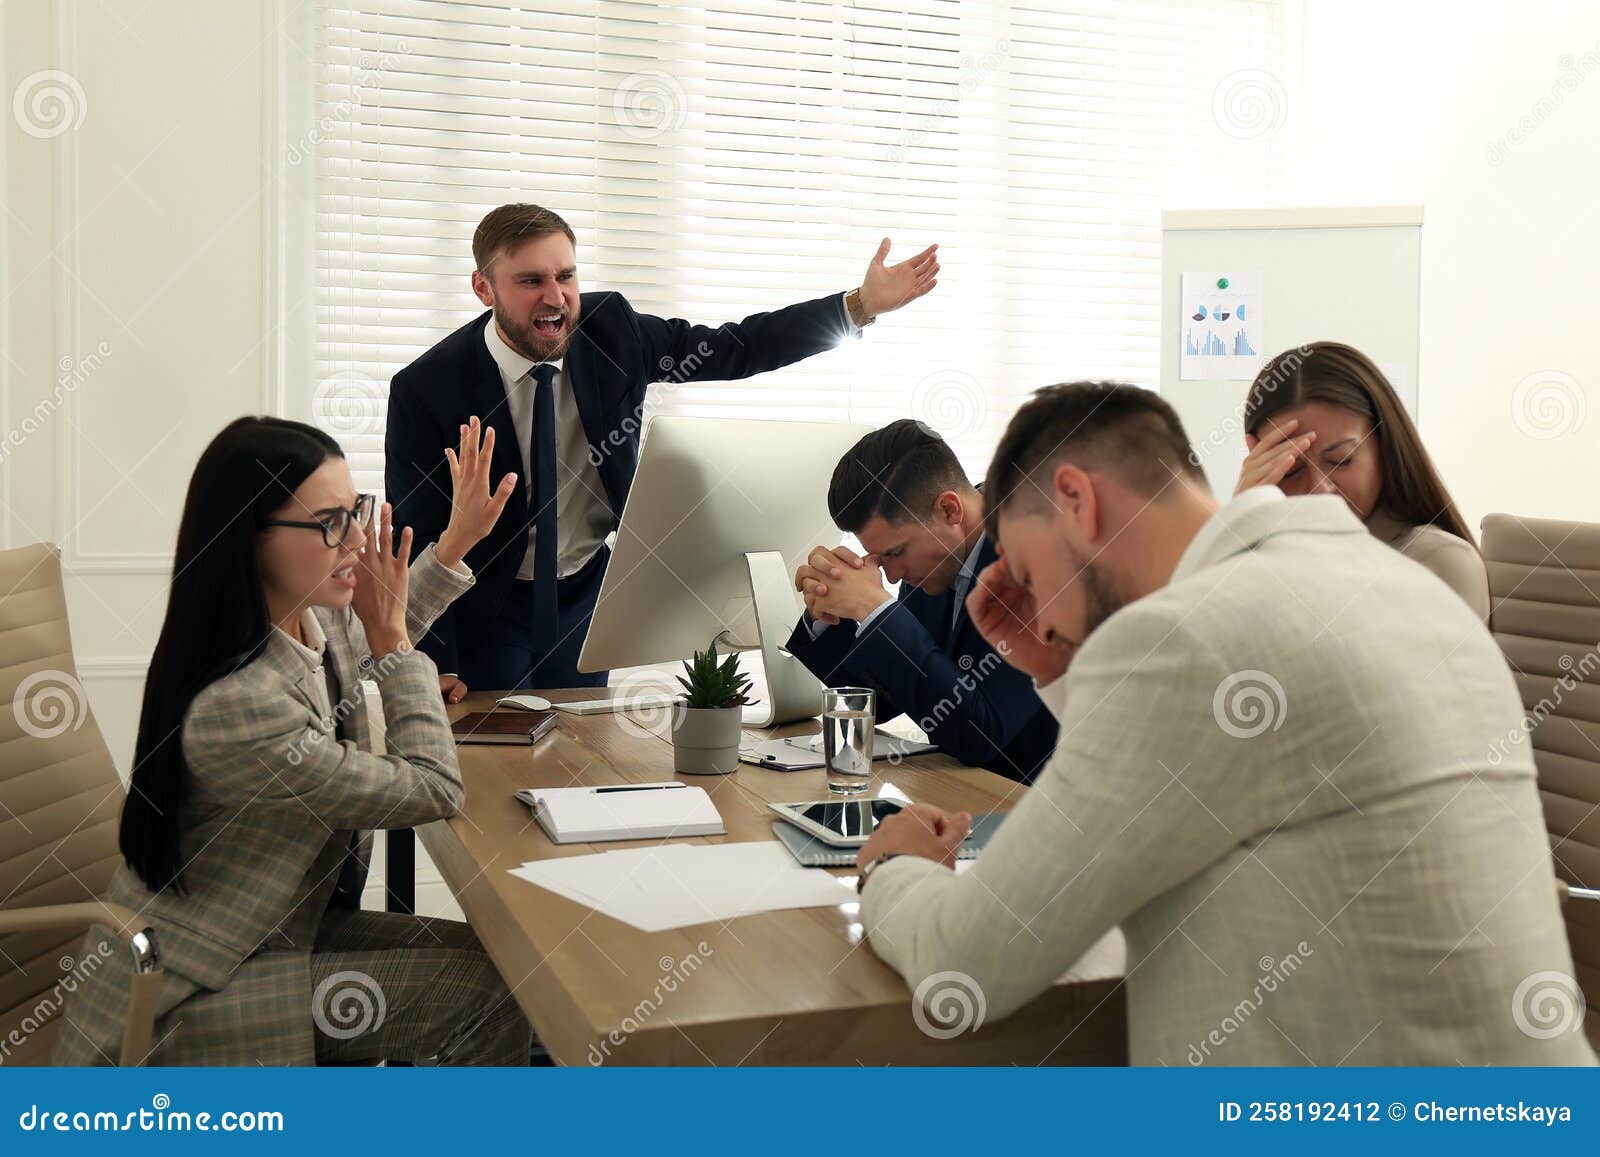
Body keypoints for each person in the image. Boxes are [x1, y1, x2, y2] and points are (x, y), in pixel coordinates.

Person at [854, 382, 1594, 1066]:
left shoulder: (1187, 639)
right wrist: (1056, 667)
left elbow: (969, 960)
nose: (1033, 603)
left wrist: (893, 864)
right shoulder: (1399, 580)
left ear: (1076, 500)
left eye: (1023, 566)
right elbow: (1180, 779)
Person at [55, 415, 531, 1066]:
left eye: (356, 512)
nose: (359, 541)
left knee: (503, 962)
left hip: (276, 932)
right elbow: (431, 786)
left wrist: (453, 544)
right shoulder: (239, 706)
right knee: (483, 996)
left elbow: (376, 621)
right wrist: (398, 651)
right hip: (193, 990)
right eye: (331, 522)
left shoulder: (306, 618)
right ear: (250, 537)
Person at [386, 203, 941, 700]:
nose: (555, 297)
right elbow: (416, 536)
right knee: (497, 756)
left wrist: (858, 306)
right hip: (487, 604)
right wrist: (434, 660)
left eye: (566, 276)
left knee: (579, 748)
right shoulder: (426, 390)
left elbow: (736, 347)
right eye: (530, 281)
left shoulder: (612, 332)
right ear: (485, 289)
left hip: (583, 592)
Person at [786, 420, 1056, 783]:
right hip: (963, 795)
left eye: (896, 553)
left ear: (949, 510)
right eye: (881, 559)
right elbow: (887, 699)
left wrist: (875, 609)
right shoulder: (937, 557)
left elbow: (982, 734)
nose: (893, 575)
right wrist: (829, 616)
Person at [1235, 341, 1489, 620]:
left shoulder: (1439, 561)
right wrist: (1241, 523)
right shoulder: (1266, 552)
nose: (1320, 488)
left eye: (1342, 460)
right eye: (1291, 468)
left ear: (1385, 450)